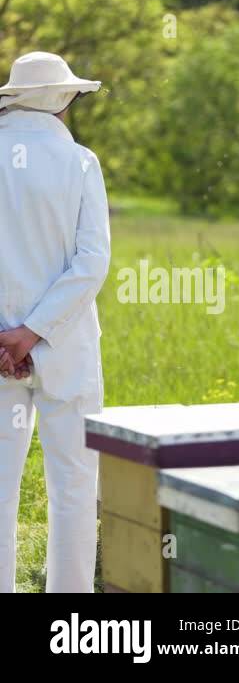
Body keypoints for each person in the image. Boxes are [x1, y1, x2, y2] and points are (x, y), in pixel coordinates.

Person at [0, 51, 111, 593]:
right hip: (65, 348)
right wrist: (34, 332)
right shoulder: (80, 163)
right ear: (62, 100)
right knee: (73, 483)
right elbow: (91, 263)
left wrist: (10, 336)